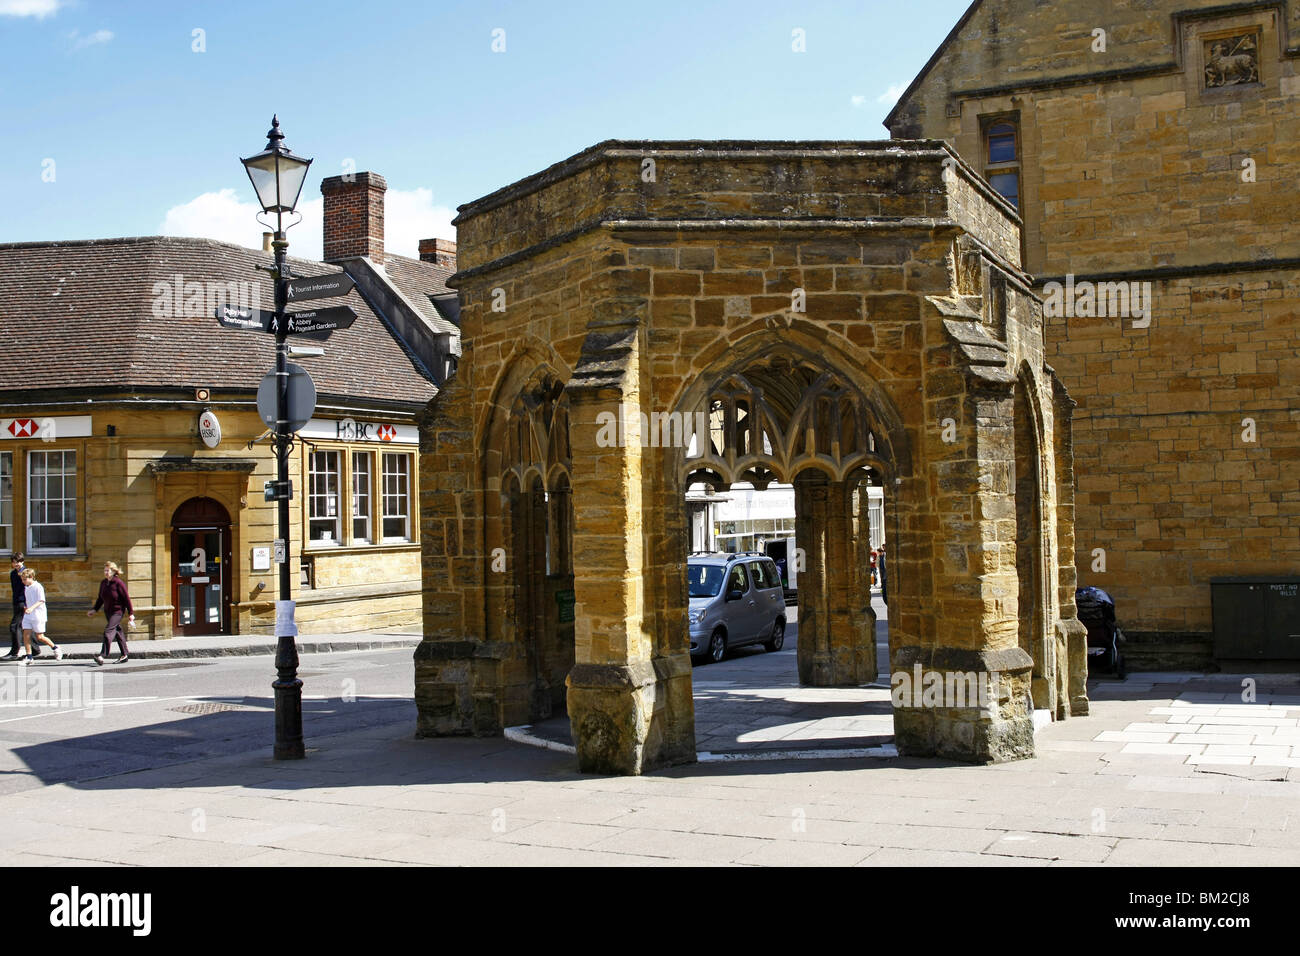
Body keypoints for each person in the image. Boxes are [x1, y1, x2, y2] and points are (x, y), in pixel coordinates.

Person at [87, 561, 132, 665]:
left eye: (108, 571)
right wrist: (95, 609)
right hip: (108, 612)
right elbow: (100, 599)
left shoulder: (118, 583)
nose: (106, 572)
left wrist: (131, 613)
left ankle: (102, 655)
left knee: (108, 631)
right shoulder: (103, 583)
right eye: (105, 570)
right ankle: (124, 654)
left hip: (118, 611)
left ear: (114, 572)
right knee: (118, 632)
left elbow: (126, 599)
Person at [19, 567, 61, 664]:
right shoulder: (26, 587)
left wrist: (31, 608)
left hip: (38, 614)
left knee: (40, 637)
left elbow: (41, 600)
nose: (23, 581)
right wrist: (26, 607)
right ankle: (29, 657)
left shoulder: (38, 587)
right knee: (26, 634)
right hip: (28, 615)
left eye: (25, 579)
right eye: (22, 579)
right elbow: (26, 599)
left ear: (31, 577)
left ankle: (55, 647)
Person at [4, 553, 25, 659]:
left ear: (22, 561)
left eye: (18, 562)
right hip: (16, 602)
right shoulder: (13, 574)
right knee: (26, 627)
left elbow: (28, 589)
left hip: (24, 603)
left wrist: (26, 603)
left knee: (14, 626)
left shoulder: (26, 573)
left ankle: (14, 651)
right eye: (14, 562)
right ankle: (35, 650)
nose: (16, 564)